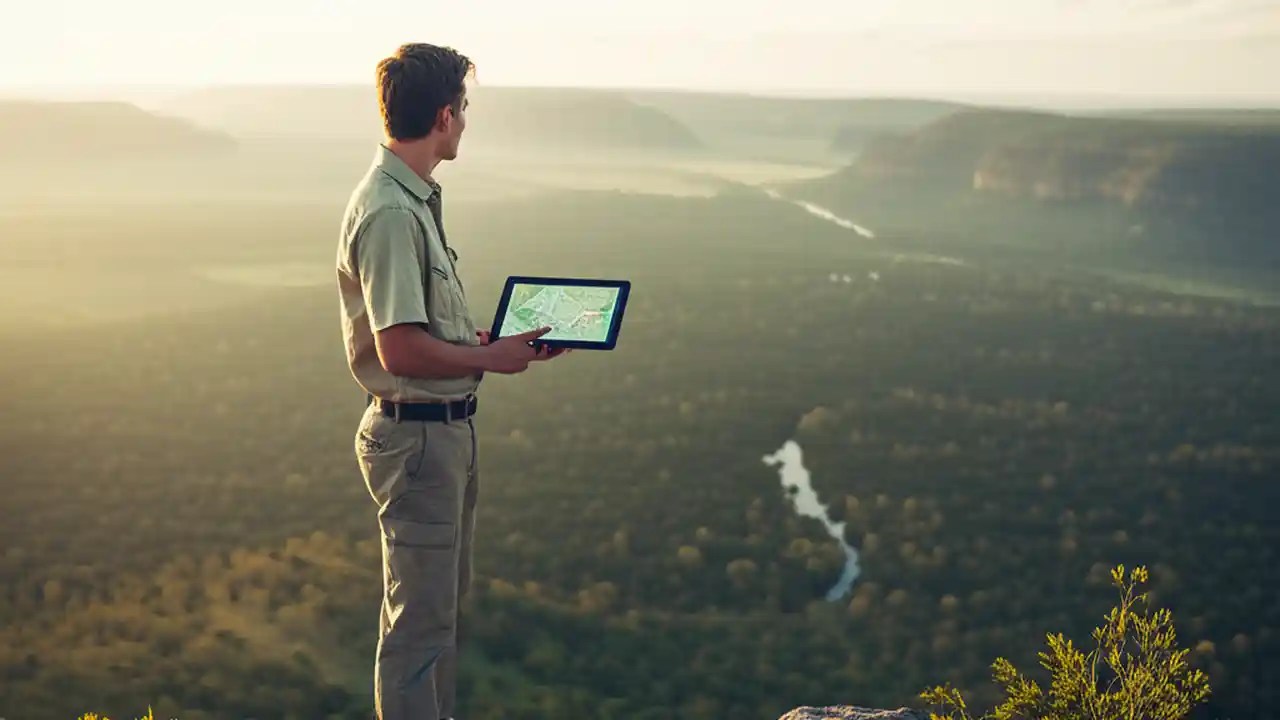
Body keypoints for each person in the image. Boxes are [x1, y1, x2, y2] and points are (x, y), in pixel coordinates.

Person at [335, 42, 567, 720]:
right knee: (418, 631)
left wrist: (482, 344)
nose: (465, 122)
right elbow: (400, 348)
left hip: (440, 438)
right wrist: (490, 361)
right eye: (462, 110)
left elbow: (422, 328)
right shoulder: (390, 212)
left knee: (436, 619)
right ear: (443, 116)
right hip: (419, 443)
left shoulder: (410, 199)